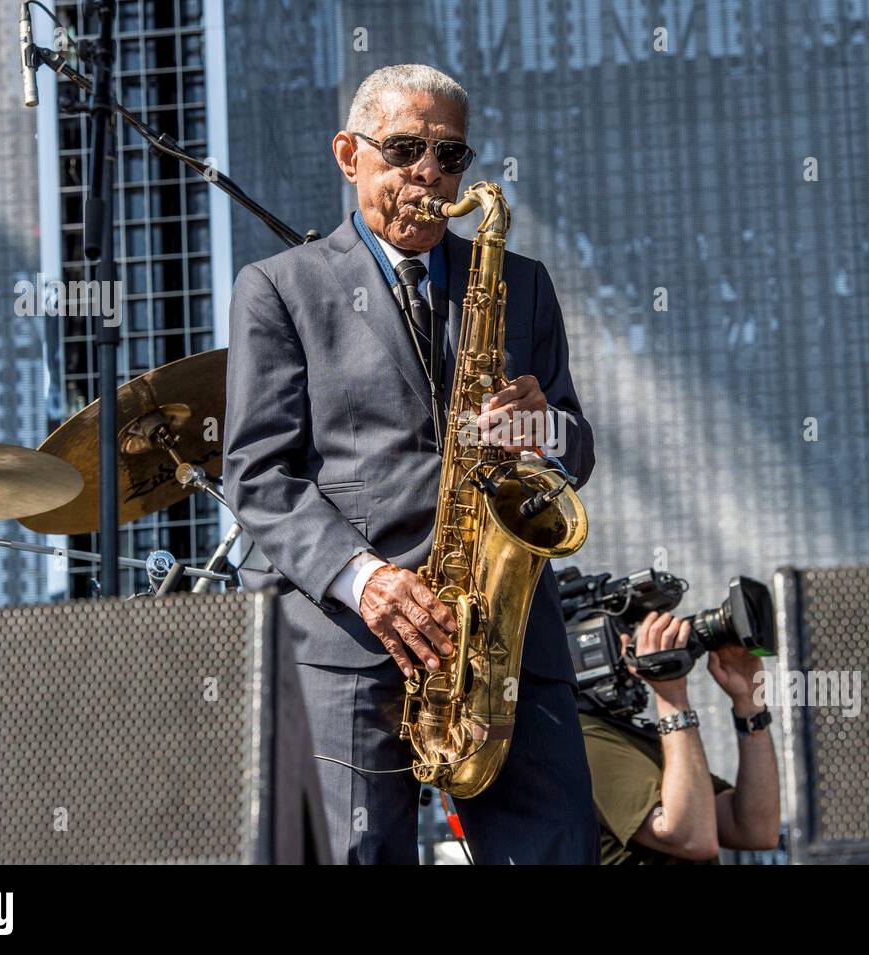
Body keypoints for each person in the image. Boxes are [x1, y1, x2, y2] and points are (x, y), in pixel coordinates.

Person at [223, 64, 598, 864]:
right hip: (356, 641)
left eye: (451, 154)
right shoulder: (279, 289)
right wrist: (368, 580)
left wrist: (545, 428)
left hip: (505, 638)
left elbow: (578, 448)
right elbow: (257, 473)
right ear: (348, 154)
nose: (429, 172)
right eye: (403, 149)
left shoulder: (521, 284)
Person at [579, 611, 781, 864]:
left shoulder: (620, 734)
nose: (632, 642)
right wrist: (672, 696)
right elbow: (692, 839)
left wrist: (750, 703)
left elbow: (756, 830)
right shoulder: (583, 739)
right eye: (620, 632)